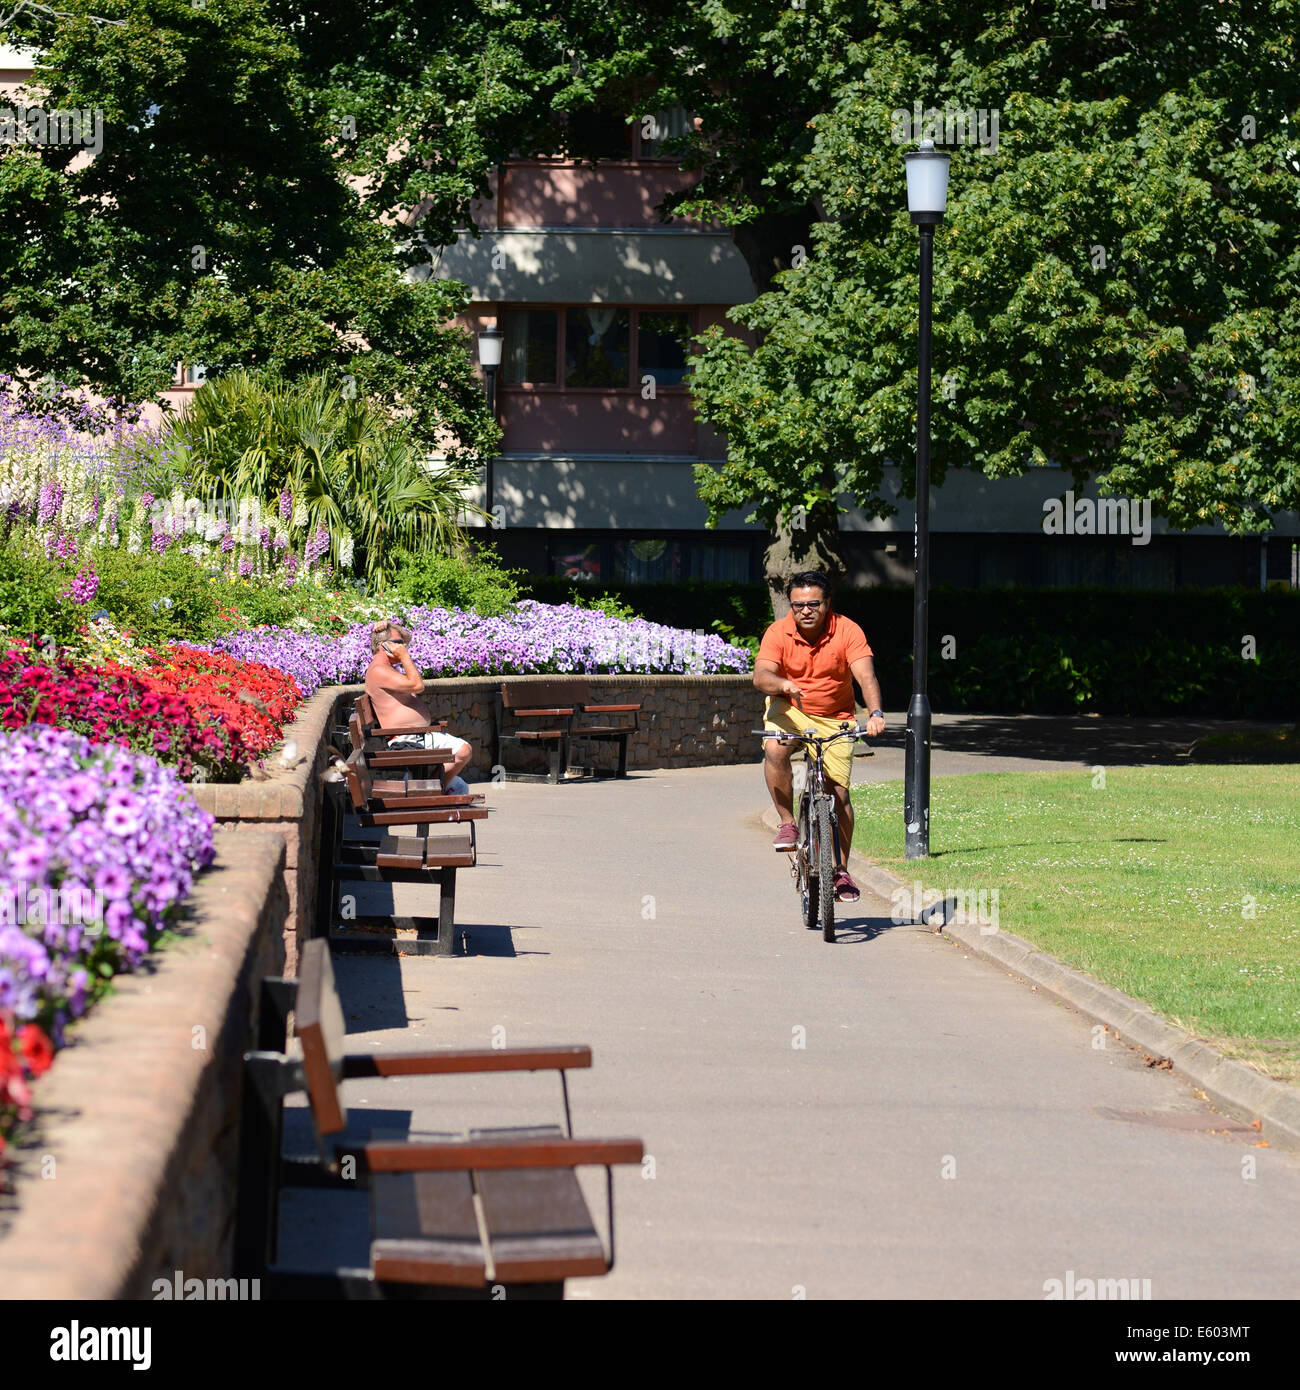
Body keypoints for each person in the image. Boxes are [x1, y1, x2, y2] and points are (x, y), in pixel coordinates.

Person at [753, 571, 885, 903]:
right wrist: (783, 685)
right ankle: (787, 823)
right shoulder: (777, 632)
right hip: (790, 708)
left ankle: (840, 871)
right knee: (775, 747)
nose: (805, 611)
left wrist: (875, 713)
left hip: (836, 716)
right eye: (798, 605)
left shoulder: (847, 630)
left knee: (838, 794)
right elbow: (762, 675)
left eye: (813, 604)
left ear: (827, 603)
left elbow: (865, 674)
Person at [363, 620, 473, 796]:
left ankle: (430, 789)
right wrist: (405, 657)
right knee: (463, 750)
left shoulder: (386, 669)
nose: (403, 647)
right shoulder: (378, 671)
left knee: (461, 778)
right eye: (399, 644)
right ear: (385, 646)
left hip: (416, 735)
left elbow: (411, 690)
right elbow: (417, 685)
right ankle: (430, 791)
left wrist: (388, 624)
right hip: (406, 738)